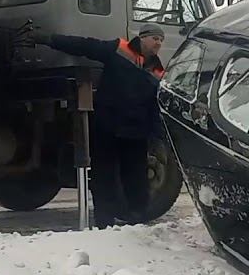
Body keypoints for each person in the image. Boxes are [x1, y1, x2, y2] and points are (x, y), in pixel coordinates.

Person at [28, 23, 167, 227]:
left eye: (161, 40)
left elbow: (156, 106)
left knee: (137, 178)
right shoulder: (120, 49)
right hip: (107, 127)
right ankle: (104, 221)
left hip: (136, 133)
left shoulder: (158, 71)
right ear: (143, 38)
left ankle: (138, 219)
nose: (159, 43)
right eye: (155, 38)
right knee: (103, 176)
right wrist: (49, 39)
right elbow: (85, 46)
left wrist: (157, 138)